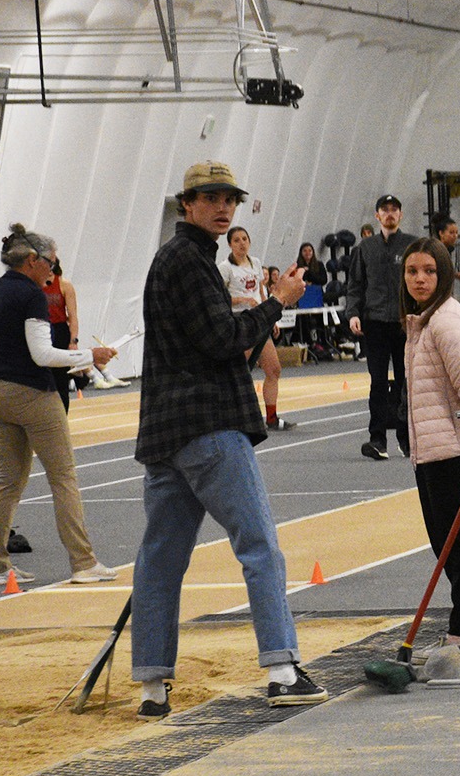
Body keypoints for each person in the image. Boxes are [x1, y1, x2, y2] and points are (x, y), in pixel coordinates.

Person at [130, 161, 326, 717]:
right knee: (259, 547)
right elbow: (223, 340)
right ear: (187, 204)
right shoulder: (189, 261)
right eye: (211, 198)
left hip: (166, 434)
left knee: (159, 562)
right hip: (209, 427)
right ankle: (282, 671)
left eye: (230, 199)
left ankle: (151, 687)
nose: (223, 207)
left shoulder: (177, 260)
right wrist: (278, 302)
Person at [0, 224, 119, 586]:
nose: (53, 269)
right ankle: (83, 563)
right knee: (63, 478)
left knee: (9, 482)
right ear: (33, 260)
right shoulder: (32, 295)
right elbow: (42, 355)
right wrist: (90, 356)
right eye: (51, 262)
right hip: (34, 394)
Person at [402, 238, 460, 648]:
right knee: (446, 544)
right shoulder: (423, 321)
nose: (420, 279)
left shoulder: (446, 321)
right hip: (431, 450)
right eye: (412, 271)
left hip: (454, 452)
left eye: (429, 271)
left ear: (444, 275)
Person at [347, 194, 413, 460]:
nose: (390, 213)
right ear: (377, 216)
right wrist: (353, 313)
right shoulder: (365, 248)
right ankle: (377, 440)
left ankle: (407, 439)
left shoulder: (412, 245)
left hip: (404, 324)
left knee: (406, 382)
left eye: (394, 209)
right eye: (385, 210)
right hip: (374, 323)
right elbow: (355, 285)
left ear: (400, 214)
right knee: (377, 382)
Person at [219, 227, 292, 431]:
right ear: (230, 244)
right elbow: (219, 298)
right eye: (236, 240)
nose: (241, 243)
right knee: (240, 373)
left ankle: (271, 418)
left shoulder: (256, 263)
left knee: (273, 369)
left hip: (259, 321)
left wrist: (271, 317)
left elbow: (260, 292)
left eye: (244, 239)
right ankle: (230, 417)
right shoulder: (225, 268)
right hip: (240, 323)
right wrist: (242, 300)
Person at [41, 258, 81, 409]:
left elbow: (73, 316)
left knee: (60, 380)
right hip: (40, 330)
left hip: (59, 331)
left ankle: (62, 415)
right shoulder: (35, 284)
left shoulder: (64, 285)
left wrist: (73, 341)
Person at [431, 215, 460, 284]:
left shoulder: (446, 249)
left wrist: (456, 275)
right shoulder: (436, 250)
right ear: (441, 233)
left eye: (456, 232)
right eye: (451, 232)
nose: (455, 236)